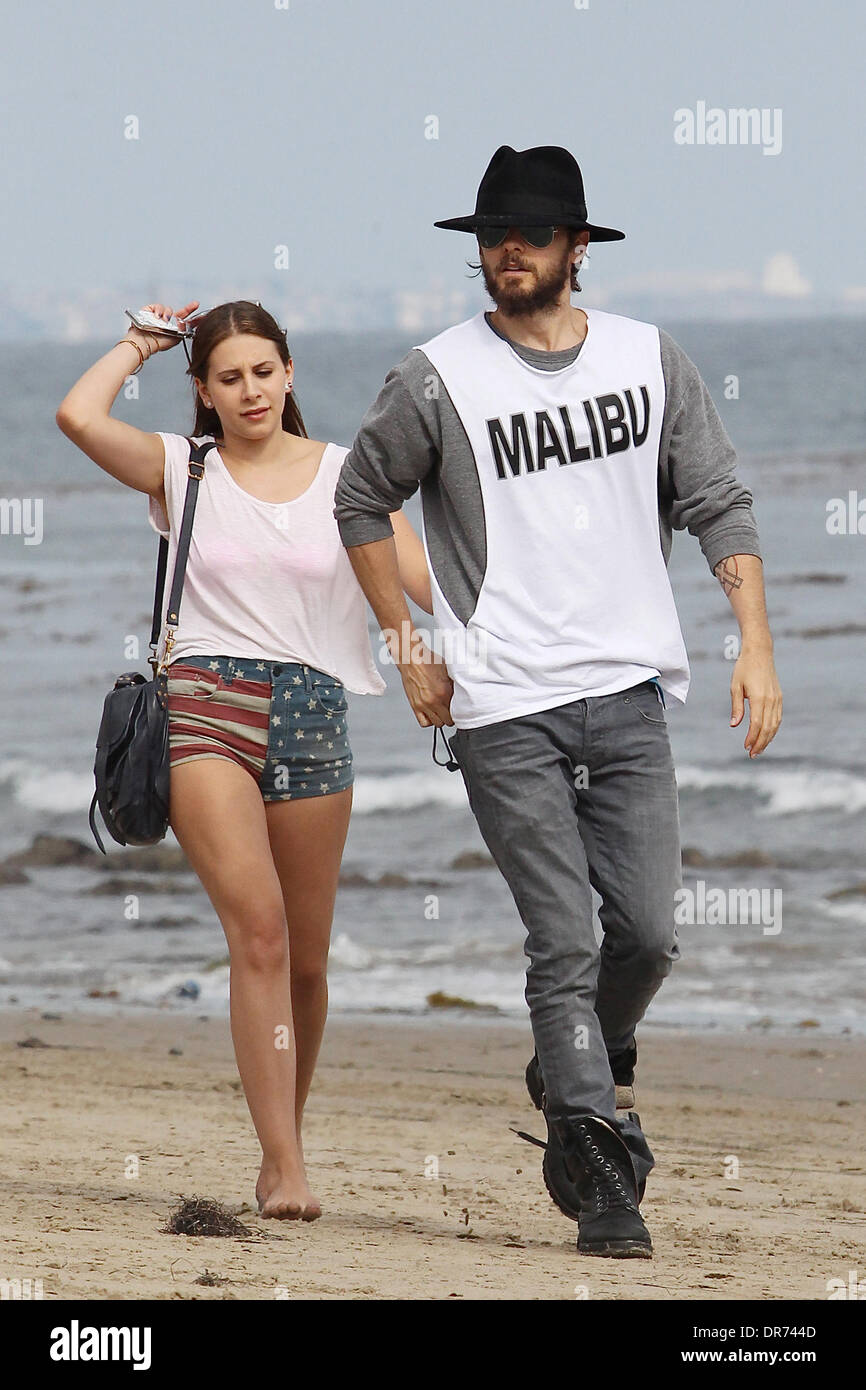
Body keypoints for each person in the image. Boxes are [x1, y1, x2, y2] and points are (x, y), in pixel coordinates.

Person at [332, 145, 782, 1258]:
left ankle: (572, 1051)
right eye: (492, 237)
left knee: (646, 933)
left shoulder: (644, 360)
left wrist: (754, 644)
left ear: (577, 247)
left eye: (529, 235)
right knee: (561, 938)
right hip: (501, 701)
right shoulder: (437, 375)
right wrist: (408, 641)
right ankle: (592, 1163)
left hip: (627, 691)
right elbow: (358, 495)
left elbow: (716, 498)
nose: (506, 253)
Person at [56, 299, 432, 1221]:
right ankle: (287, 1169)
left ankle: (281, 1149)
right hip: (203, 711)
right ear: (204, 391)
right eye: (229, 377)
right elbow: (76, 416)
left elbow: (435, 587)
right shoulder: (182, 469)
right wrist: (141, 343)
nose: (250, 390)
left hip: (313, 712)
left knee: (305, 960)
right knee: (258, 932)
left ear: (290, 374)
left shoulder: (351, 477)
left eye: (264, 371)